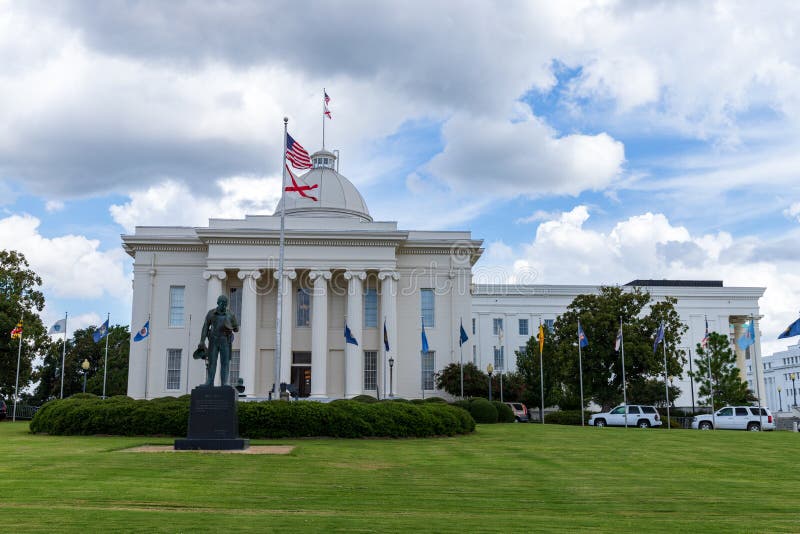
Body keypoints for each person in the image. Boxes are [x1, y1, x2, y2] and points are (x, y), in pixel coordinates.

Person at [199, 295, 239, 386]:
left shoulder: (230, 314)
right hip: (213, 340)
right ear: (218, 303)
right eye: (222, 304)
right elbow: (205, 327)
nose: (223, 306)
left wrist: (231, 328)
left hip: (225, 340)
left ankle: (224, 382)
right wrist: (202, 341)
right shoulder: (211, 313)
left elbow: (236, 328)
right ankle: (209, 381)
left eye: (225, 304)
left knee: (225, 362)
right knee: (212, 362)